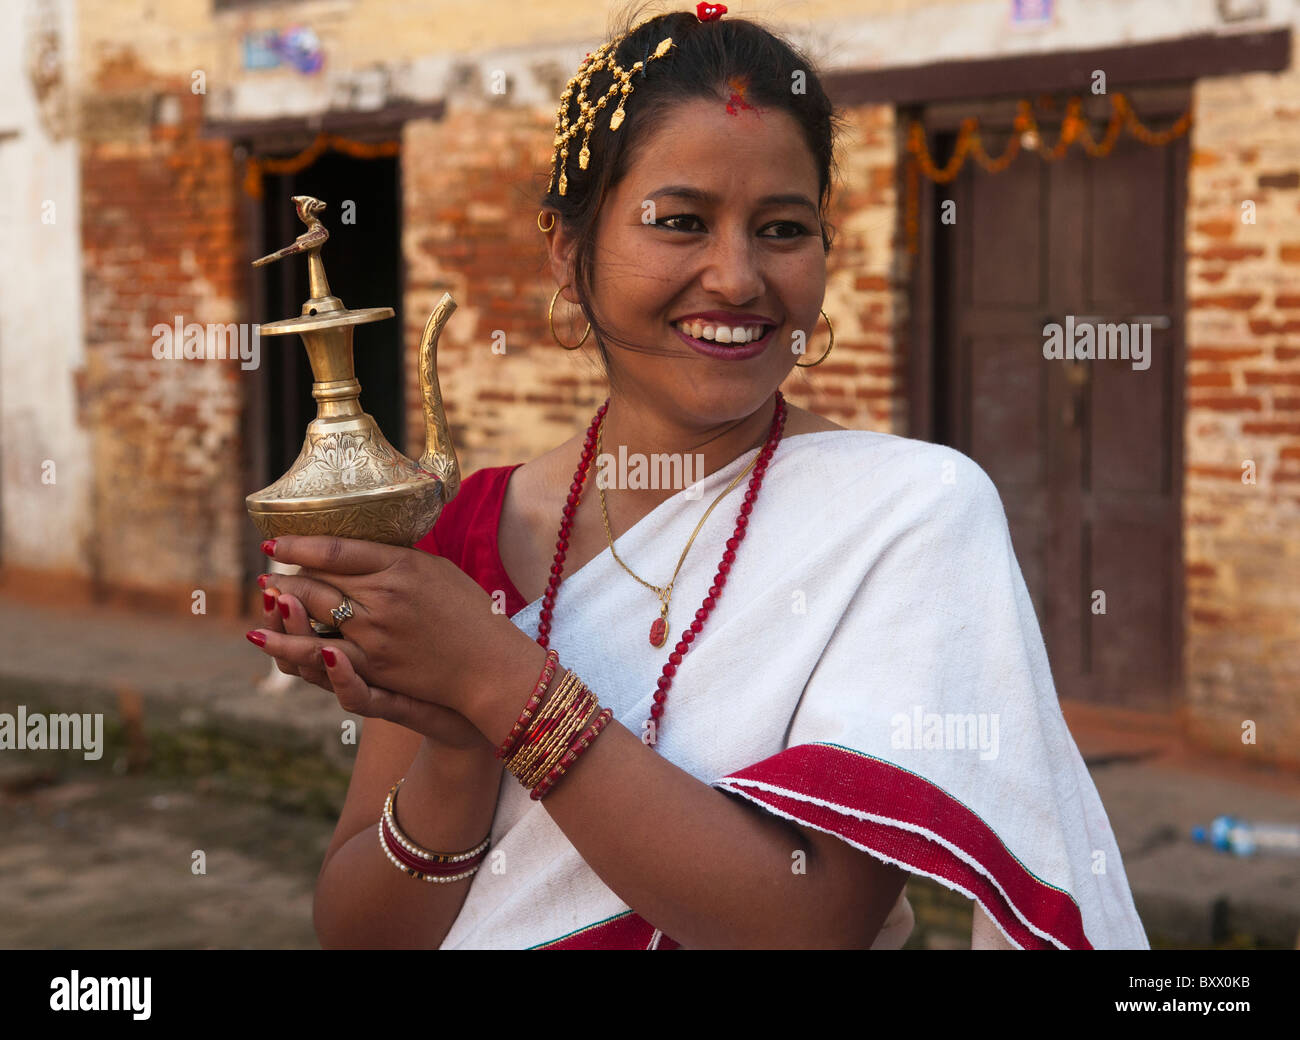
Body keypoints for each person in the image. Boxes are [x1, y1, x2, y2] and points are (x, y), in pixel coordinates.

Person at [245, 3, 1149, 950]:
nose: (737, 278)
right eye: (680, 222)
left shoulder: (906, 516)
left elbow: (807, 927)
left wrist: (496, 681)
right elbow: (362, 936)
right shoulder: (464, 535)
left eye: (783, 229)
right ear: (568, 249)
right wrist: (459, 745)